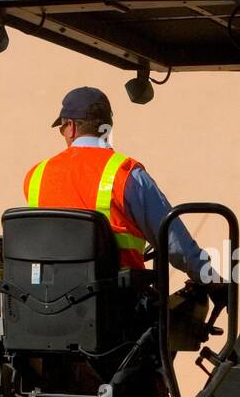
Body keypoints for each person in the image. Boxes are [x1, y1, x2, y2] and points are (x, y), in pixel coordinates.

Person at [24, 86, 228, 307]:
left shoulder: (36, 175)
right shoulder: (126, 173)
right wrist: (211, 281)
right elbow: (175, 244)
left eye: (61, 128)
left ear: (71, 127)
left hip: (48, 304)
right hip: (117, 309)